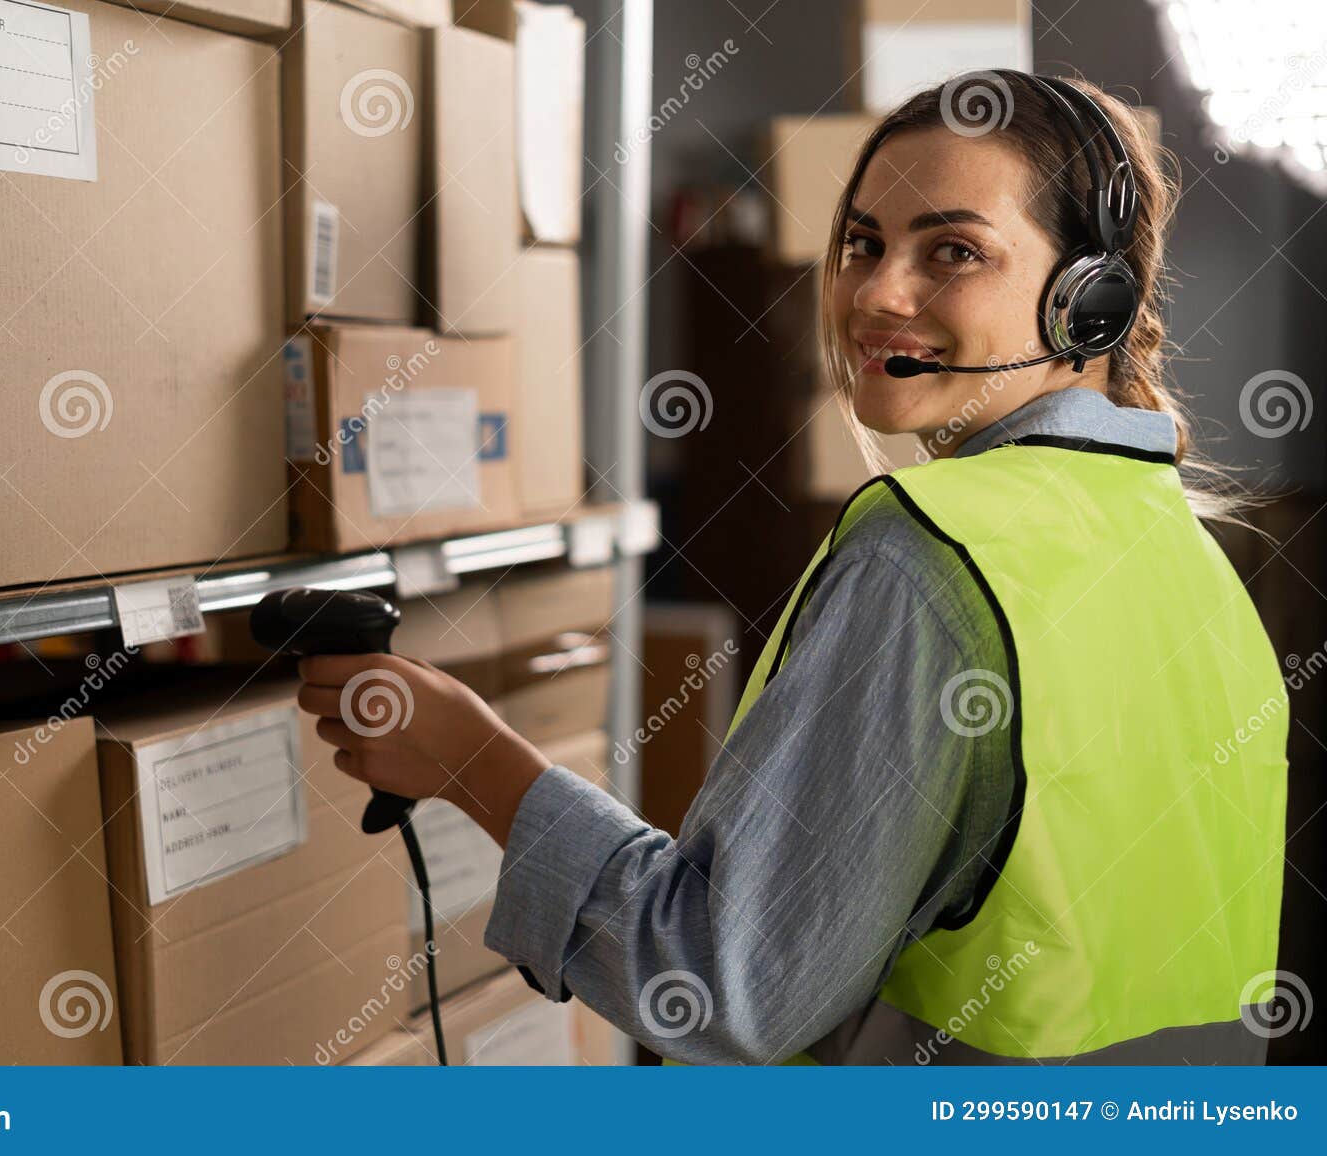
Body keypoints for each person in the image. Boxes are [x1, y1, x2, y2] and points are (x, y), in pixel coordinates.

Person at [296, 69, 1289, 1065]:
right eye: (862, 243)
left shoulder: (928, 553)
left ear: (1090, 301)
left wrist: (475, 760)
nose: (877, 292)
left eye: (953, 251)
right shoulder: (1186, 554)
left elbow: (717, 984)